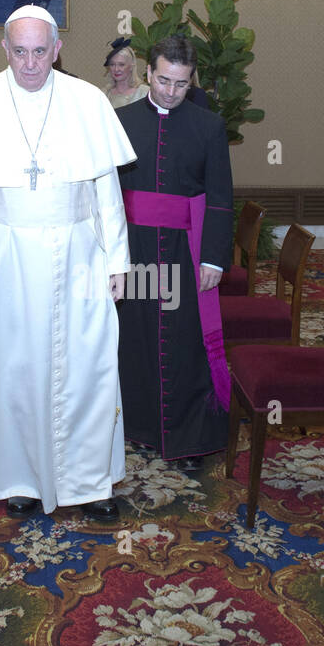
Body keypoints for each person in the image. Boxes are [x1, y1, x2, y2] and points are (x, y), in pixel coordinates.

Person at [0, 5, 136, 522]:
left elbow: (106, 191)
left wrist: (117, 261)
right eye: (20, 52)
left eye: (41, 51)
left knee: (88, 369)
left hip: (81, 255)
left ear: (57, 49)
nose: (30, 64)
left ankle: (90, 482)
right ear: (4, 48)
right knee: (13, 371)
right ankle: (19, 477)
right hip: (7, 261)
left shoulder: (87, 102)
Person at [115, 35, 234, 472]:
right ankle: (140, 427)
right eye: (164, 80)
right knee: (138, 338)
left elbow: (220, 197)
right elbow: (105, 193)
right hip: (135, 250)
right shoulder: (119, 121)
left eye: (181, 84)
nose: (170, 91)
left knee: (185, 344)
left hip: (186, 252)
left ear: (191, 80)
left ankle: (190, 435)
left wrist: (213, 259)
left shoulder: (209, 126)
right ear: (148, 72)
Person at [103, 38, 147, 109]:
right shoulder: (104, 94)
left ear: (131, 66)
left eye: (121, 64)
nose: (116, 69)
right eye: (112, 64)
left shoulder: (144, 93)